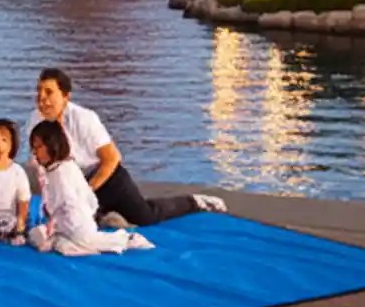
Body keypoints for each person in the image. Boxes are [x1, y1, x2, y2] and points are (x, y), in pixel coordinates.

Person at [26, 67, 226, 227]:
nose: (41, 98)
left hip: (106, 177)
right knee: (73, 225)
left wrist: (86, 191)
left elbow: (112, 158)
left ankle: (195, 202)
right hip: (72, 182)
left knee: (146, 217)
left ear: (65, 96)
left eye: (49, 92)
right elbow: (40, 165)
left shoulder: (84, 119)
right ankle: (101, 214)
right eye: (39, 91)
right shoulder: (35, 123)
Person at [26, 120, 154, 256]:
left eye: (38, 147)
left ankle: (127, 239)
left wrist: (54, 222)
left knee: (85, 240)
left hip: (76, 223)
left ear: (52, 146)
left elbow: (68, 203)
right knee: (37, 235)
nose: (34, 152)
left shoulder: (64, 171)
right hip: (62, 224)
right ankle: (61, 241)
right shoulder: (51, 171)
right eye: (33, 148)